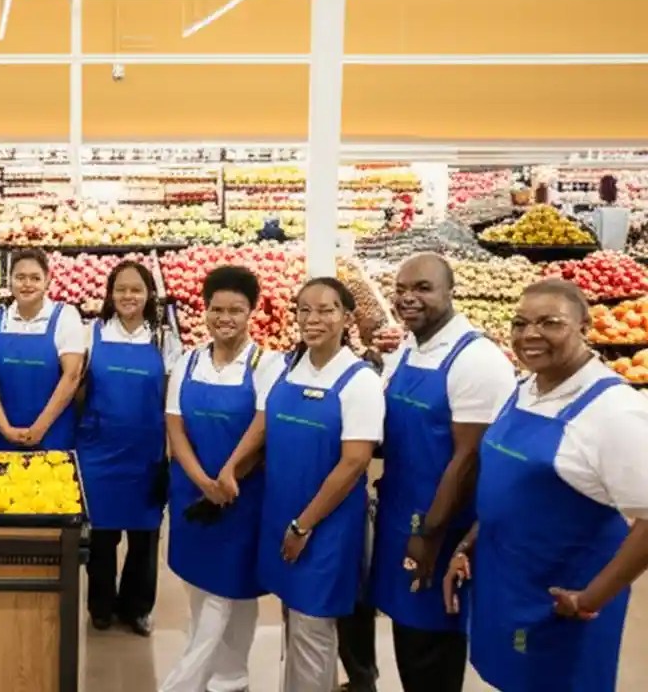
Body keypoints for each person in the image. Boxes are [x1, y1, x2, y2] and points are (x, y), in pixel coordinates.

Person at [443, 279, 648, 692]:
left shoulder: (615, 412)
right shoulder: (524, 389)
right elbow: (512, 487)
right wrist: (468, 543)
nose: (530, 334)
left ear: (584, 327)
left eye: (549, 322)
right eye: (520, 323)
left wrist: (590, 598)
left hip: (561, 598)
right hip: (507, 582)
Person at [220, 277, 385, 692]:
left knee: (314, 624)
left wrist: (303, 526)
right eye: (304, 310)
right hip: (280, 512)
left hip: (324, 525)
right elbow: (262, 427)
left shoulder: (359, 381)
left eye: (326, 310)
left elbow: (354, 463)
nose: (313, 319)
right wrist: (232, 467)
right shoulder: (286, 367)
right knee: (294, 618)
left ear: (347, 317)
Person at [369, 253, 516, 692]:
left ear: (451, 292)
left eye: (423, 288)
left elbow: (469, 459)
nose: (408, 298)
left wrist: (431, 533)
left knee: (433, 641)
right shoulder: (412, 348)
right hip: (400, 509)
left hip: (442, 524)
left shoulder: (476, 360)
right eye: (401, 289)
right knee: (409, 636)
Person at [159, 266, 282, 692]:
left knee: (226, 591)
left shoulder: (267, 364)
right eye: (216, 309)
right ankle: (231, 678)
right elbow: (175, 426)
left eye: (235, 309)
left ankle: (183, 684)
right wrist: (203, 481)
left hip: (240, 498)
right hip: (193, 492)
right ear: (204, 310)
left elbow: (264, 425)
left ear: (251, 311)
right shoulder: (187, 362)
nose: (224, 318)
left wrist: (229, 473)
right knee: (202, 590)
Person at [79, 260, 181, 637]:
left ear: (149, 294)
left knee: (144, 536)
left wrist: (170, 451)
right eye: (120, 289)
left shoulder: (163, 338)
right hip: (99, 451)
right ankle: (101, 606)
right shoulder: (92, 334)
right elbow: (76, 388)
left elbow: (172, 399)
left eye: (136, 289)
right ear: (110, 294)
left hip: (146, 454)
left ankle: (137, 607)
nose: (128, 296)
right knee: (101, 537)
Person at [0, 249, 85, 450]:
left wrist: (39, 428)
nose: (27, 284)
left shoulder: (66, 317)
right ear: (9, 280)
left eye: (35, 278)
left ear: (47, 280)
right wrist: (5, 428)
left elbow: (71, 376)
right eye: (20, 277)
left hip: (52, 433)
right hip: (0, 434)